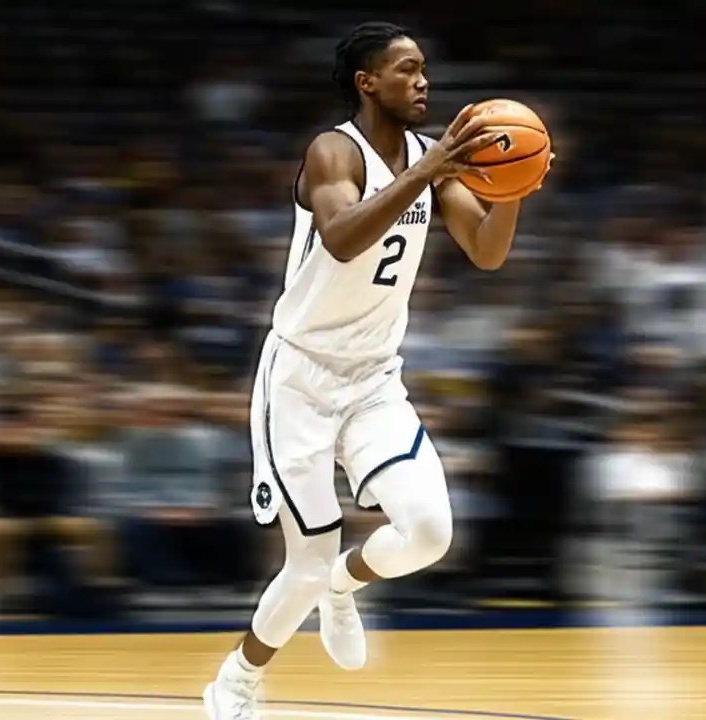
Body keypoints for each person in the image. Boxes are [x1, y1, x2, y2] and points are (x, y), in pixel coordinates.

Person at [203, 21, 552, 719]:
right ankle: (237, 679)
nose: (423, 81)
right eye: (407, 69)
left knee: (428, 531)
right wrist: (431, 171)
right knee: (298, 566)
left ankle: (346, 583)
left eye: (424, 69)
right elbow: (340, 238)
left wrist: (514, 186)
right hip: (299, 377)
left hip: (371, 380)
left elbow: (485, 251)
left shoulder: (431, 157)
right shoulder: (335, 150)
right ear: (368, 83)